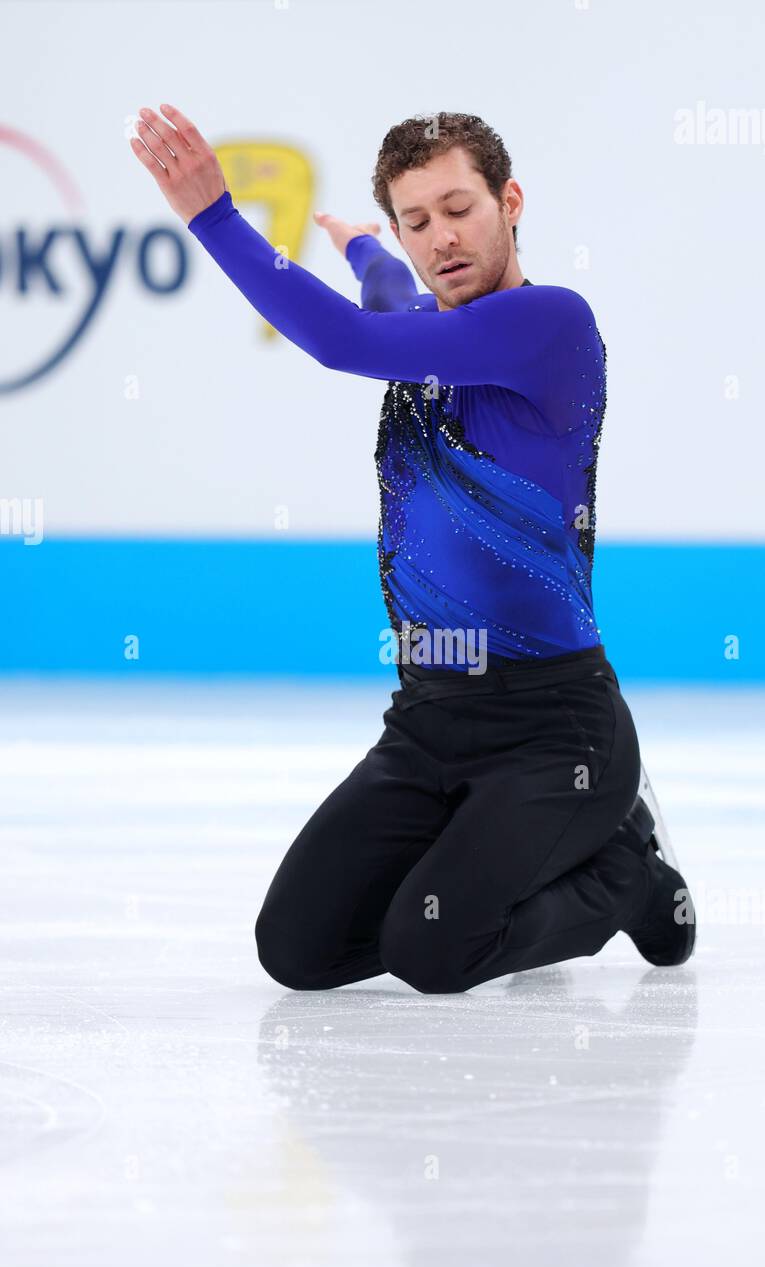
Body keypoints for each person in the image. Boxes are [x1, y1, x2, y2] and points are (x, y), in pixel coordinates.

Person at [130, 104, 696, 993]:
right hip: (428, 719)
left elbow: (347, 335)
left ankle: (625, 868)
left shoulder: (550, 325)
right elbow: (393, 302)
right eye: (417, 221)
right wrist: (362, 248)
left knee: (431, 951)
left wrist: (214, 215)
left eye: (460, 208)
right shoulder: (434, 334)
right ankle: (500, 854)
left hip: (554, 728)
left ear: (511, 202)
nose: (442, 238)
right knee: (298, 951)